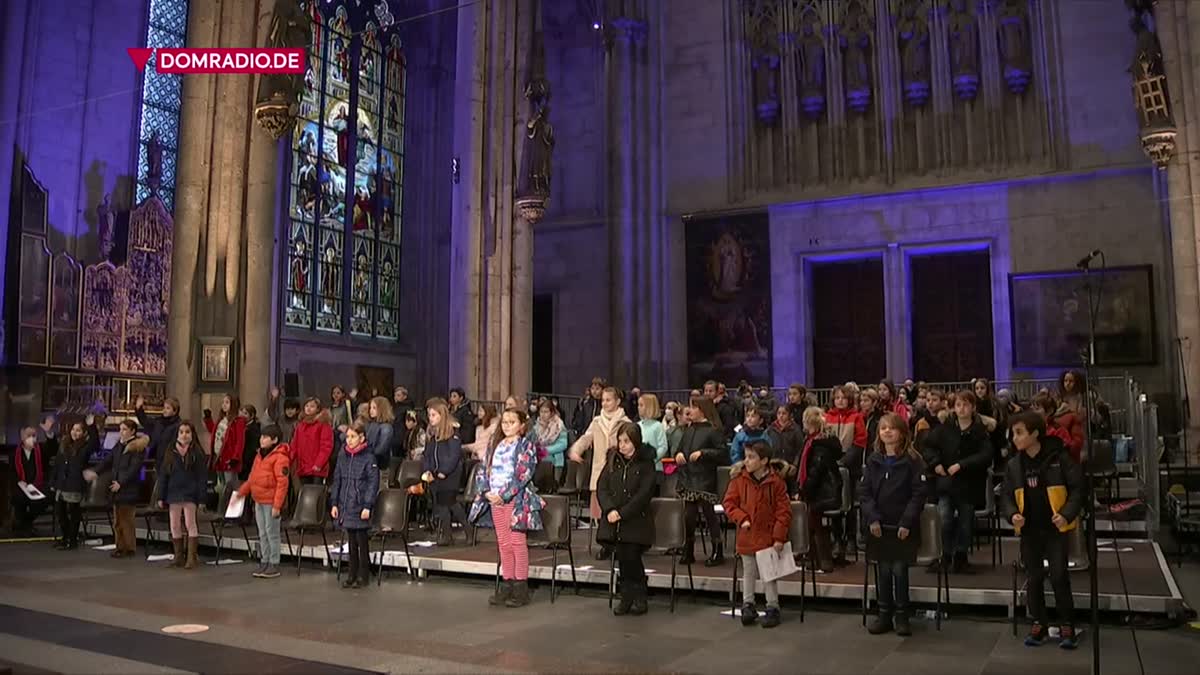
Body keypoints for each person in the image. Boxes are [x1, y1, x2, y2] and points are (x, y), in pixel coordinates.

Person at [999, 411, 1083, 650]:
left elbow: (1077, 489)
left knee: (1058, 576)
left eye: (1019, 433)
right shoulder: (1015, 465)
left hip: (1055, 528)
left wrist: (1066, 513)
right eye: (1013, 433)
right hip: (1029, 530)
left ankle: (1067, 623)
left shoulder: (1059, 458)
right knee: (1034, 577)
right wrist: (1012, 513)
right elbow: (1006, 495)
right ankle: (1039, 622)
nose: (1014, 438)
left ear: (1035, 434)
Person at [861, 413, 927, 636]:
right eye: (883, 428)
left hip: (902, 525)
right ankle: (884, 614)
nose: (887, 431)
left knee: (899, 570)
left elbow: (918, 495)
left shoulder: (913, 461)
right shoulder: (873, 460)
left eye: (892, 428)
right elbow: (865, 493)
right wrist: (873, 518)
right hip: (879, 525)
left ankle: (902, 616)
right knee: (884, 570)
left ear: (902, 433)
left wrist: (907, 521)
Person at [469, 409, 543, 608]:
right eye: (505, 422)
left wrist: (504, 494)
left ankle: (520, 587)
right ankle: (507, 583)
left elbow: (523, 474)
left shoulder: (525, 446)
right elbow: (484, 469)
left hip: (515, 500)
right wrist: (486, 492)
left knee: (517, 542)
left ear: (521, 425)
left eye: (512, 422)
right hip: (495, 500)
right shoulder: (496, 444)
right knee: (503, 542)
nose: (507, 425)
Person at [724, 440, 792, 629]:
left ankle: (772, 607)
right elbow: (729, 504)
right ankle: (748, 604)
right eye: (746, 457)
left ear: (764, 461)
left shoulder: (776, 483)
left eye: (751, 457)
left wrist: (779, 536)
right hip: (747, 533)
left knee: (769, 574)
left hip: (768, 536)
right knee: (749, 571)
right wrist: (741, 517)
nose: (747, 461)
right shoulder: (738, 481)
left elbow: (784, 512)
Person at [922, 390, 992, 574]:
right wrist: (935, 463)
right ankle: (945, 555)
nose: (962, 409)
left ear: (973, 408)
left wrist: (962, 464)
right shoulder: (945, 428)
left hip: (969, 484)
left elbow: (986, 455)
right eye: (958, 405)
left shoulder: (979, 431)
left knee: (965, 521)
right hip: (946, 483)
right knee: (944, 519)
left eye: (966, 405)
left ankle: (961, 556)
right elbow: (928, 447)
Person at [595, 422, 657, 616]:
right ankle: (626, 596)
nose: (622, 445)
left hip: (636, 520)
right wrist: (610, 509)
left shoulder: (646, 464)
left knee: (631, 557)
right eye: (620, 441)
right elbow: (602, 487)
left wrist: (623, 512)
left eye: (626, 441)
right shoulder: (613, 460)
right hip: (615, 521)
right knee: (622, 558)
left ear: (636, 442)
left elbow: (644, 493)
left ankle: (638, 595)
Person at [568, 386, 632, 548]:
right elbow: (586, 438)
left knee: (616, 509)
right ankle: (604, 544)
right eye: (603, 400)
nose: (604, 403)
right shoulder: (596, 421)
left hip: (618, 471)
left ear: (617, 402)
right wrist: (576, 450)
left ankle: (617, 542)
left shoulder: (625, 423)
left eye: (608, 400)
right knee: (600, 511)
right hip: (599, 472)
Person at [672, 397, 728, 567]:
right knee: (689, 516)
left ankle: (717, 550)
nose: (690, 411)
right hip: (688, 477)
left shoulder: (713, 430)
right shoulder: (689, 430)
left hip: (704, 478)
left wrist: (703, 453)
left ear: (702, 410)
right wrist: (679, 454)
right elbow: (680, 448)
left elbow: (722, 452)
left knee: (709, 514)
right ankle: (688, 549)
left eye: (693, 407)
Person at [86, 419, 148, 558]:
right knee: (117, 521)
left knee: (126, 520)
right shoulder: (118, 446)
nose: (121, 432)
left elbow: (134, 469)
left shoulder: (137, 447)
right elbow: (108, 461)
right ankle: (119, 546)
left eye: (124, 429)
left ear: (132, 431)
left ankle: (129, 548)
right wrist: (95, 471)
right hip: (116, 488)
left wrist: (121, 482)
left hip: (128, 489)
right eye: (120, 429)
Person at [239, 424, 291, 579]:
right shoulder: (259, 456)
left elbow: (282, 483)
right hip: (258, 500)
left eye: (265, 437)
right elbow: (252, 478)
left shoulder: (280, 458)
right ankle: (265, 560)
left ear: (274, 440)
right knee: (262, 532)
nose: (262, 439)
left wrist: (277, 505)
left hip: (270, 502)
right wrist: (241, 493)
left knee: (272, 533)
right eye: (261, 436)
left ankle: (274, 563)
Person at [330, 421, 378, 588]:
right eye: (347, 437)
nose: (349, 440)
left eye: (353, 437)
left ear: (362, 437)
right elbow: (337, 480)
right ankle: (351, 574)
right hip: (346, 504)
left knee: (361, 542)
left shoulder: (368, 457)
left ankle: (363, 576)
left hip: (360, 504)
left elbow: (373, 483)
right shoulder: (343, 456)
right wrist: (334, 502)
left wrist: (367, 505)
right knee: (351, 541)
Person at [797, 407, 843, 572]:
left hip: (825, 493)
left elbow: (815, 474)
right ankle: (814, 558)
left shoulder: (820, 446)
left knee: (814, 522)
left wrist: (804, 490)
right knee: (812, 522)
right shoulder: (811, 441)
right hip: (819, 491)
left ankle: (822, 561)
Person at [158, 421, 208, 569]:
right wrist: (161, 496)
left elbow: (202, 478)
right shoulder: (170, 451)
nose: (184, 435)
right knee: (174, 524)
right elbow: (163, 476)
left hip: (190, 493)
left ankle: (191, 557)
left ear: (192, 435)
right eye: (181, 432)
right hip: (173, 493)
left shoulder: (197, 452)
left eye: (187, 432)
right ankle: (178, 556)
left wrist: (202, 498)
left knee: (189, 523)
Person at [422, 398, 468, 546]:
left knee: (447, 503)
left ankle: (458, 531)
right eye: (430, 415)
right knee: (444, 504)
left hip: (450, 475)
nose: (431, 418)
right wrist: (427, 470)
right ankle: (451, 533)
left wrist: (444, 471)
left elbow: (453, 456)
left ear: (442, 416)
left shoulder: (452, 434)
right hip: (436, 475)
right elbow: (427, 455)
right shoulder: (432, 436)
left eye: (434, 415)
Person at [51, 417, 100, 550]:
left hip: (75, 483)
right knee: (60, 512)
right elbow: (58, 464)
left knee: (74, 512)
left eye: (78, 430)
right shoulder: (64, 443)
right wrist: (53, 481)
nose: (75, 433)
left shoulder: (85, 446)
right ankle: (65, 537)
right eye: (73, 429)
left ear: (83, 433)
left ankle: (72, 540)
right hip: (62, 483)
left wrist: (91, 426)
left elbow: (95, 443)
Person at [205, 393, 246, 495]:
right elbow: (214, 432)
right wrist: (208, 419)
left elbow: (239, 441)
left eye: (227, 402)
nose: (224, 405)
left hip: (229, 458)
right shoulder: (221, 420)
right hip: (219, 456)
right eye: (223, 402)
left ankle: (233, 509)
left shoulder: (238, 421)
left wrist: (236, 457)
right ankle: (222, 508)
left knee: (231, 486)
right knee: (221, 485)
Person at [12, 427, 49, 535]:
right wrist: (19, 481)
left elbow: (53, 448)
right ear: (23, 438)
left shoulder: (40, 450)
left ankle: (26, 522)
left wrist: (48, 433)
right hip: (21, 486)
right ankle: (21, 525)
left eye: (34, 436)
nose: (32, 439)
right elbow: (12, 472)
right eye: (29, 436)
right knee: (18, 498)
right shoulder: (15, 453)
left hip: (37, 485)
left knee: (43, 500)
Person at [291, 397, 334, 490]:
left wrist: (319, 464)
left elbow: (326, 446)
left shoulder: (323, 424)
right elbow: (294, 445)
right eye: (306, 406)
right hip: (302, 468)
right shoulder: (300, 425)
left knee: (316, 496)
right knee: (305, 496)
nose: (308, 408)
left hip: (317, 469)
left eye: (312, 406)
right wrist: (289, 460)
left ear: (318, 409)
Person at [135, 395, 181, 471]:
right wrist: (139, 408)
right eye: (164, 408)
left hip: (171, 463)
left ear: (175, 411)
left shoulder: (178, 425)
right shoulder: (159, 422)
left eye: (168, 408)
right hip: (157, 461)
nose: (164, 410)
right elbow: (145, 422)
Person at [530, 399, 569, 480]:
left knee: (559, 454)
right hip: (540, 451)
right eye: (541, 412)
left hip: (553, 451)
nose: (543, 414)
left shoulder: (559, 425)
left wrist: (547, 450)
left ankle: (556, 482)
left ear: (551, 413)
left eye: (546, 412)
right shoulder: (536, 426)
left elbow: (563, 444)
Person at [637, 394, 669, 475]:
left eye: (641, 405)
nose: (638, 407)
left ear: (649, 407)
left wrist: (653, 459)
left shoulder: (658, 426)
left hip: (655, 469)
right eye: (638, 405)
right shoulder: (637, 425)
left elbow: (663, 447)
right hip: (639, 469)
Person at [239, 404, 262, 482]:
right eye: (242, 413)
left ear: (252, 416)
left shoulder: (253, 429)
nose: (242, 416)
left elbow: (253, 447)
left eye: (245, 413)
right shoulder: (243, 427)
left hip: (248, 462)